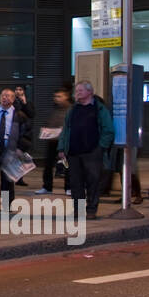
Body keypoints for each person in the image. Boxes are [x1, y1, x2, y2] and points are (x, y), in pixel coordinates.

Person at [58, 80, 115, 220]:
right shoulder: (72, 110)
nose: (77, 93)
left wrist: (100, 147)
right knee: (75, 183)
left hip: (92, 152)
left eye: (80, 91)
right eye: (76, 91)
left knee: (93, 182)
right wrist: (61, 147)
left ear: (90, 92)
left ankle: (91, 209)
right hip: (73, 152)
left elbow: (109, 130)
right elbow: (65, 130)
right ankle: (78, 209)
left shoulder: (99, 109)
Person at [35, 88, 72, 195]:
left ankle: (68, 187)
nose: (57, 99)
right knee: (48, 165)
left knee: (67, 165)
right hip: (52, 141)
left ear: (66, 97)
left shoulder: (70, 109)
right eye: (55, 97)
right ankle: (47, 187)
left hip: (64, 143)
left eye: (60, 96)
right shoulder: (54, 109)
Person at [12, 86, 35, 185]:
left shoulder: (28, 103)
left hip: (25, 133)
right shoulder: (11, 102)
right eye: (16, 89)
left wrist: (24, 103)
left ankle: (20, 178)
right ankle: (13, 176)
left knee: (22, 157)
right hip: (14, 132)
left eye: (20, 89)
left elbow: (32, 114)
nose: (18, 91)